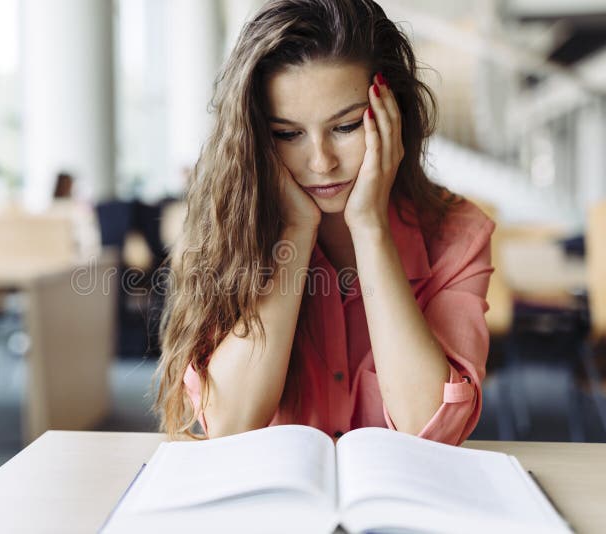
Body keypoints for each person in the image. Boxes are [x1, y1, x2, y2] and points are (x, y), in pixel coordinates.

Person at [154, 0, 495, 446]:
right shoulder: (230, 227)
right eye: (287, 134)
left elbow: (429, 428)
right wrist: (296, 231)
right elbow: (229, 425)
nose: (321, 162)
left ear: (395, 115)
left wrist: (370, 226)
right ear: (256, 136)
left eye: (346, 126)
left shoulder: (460, 234)